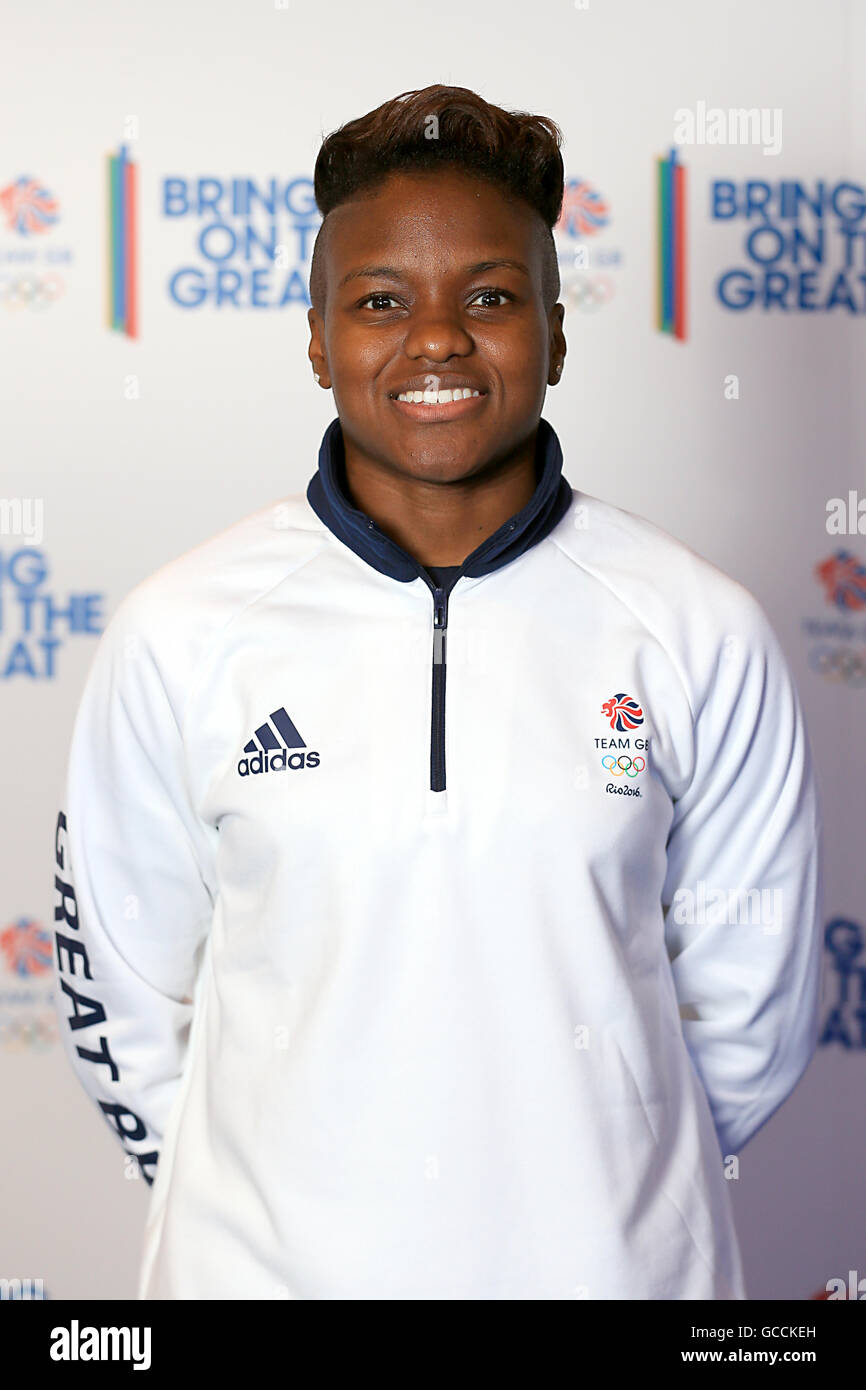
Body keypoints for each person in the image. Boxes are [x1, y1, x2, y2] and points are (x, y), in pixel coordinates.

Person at [52, 83, 823, 1300]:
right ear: (315, 338)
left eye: (488, 297)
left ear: (555, 331)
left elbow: (753, 1014)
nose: (435, 341)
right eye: (378, 303)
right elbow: (120, 999)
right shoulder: (180, 631)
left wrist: (603, 1187)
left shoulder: (693, 628)